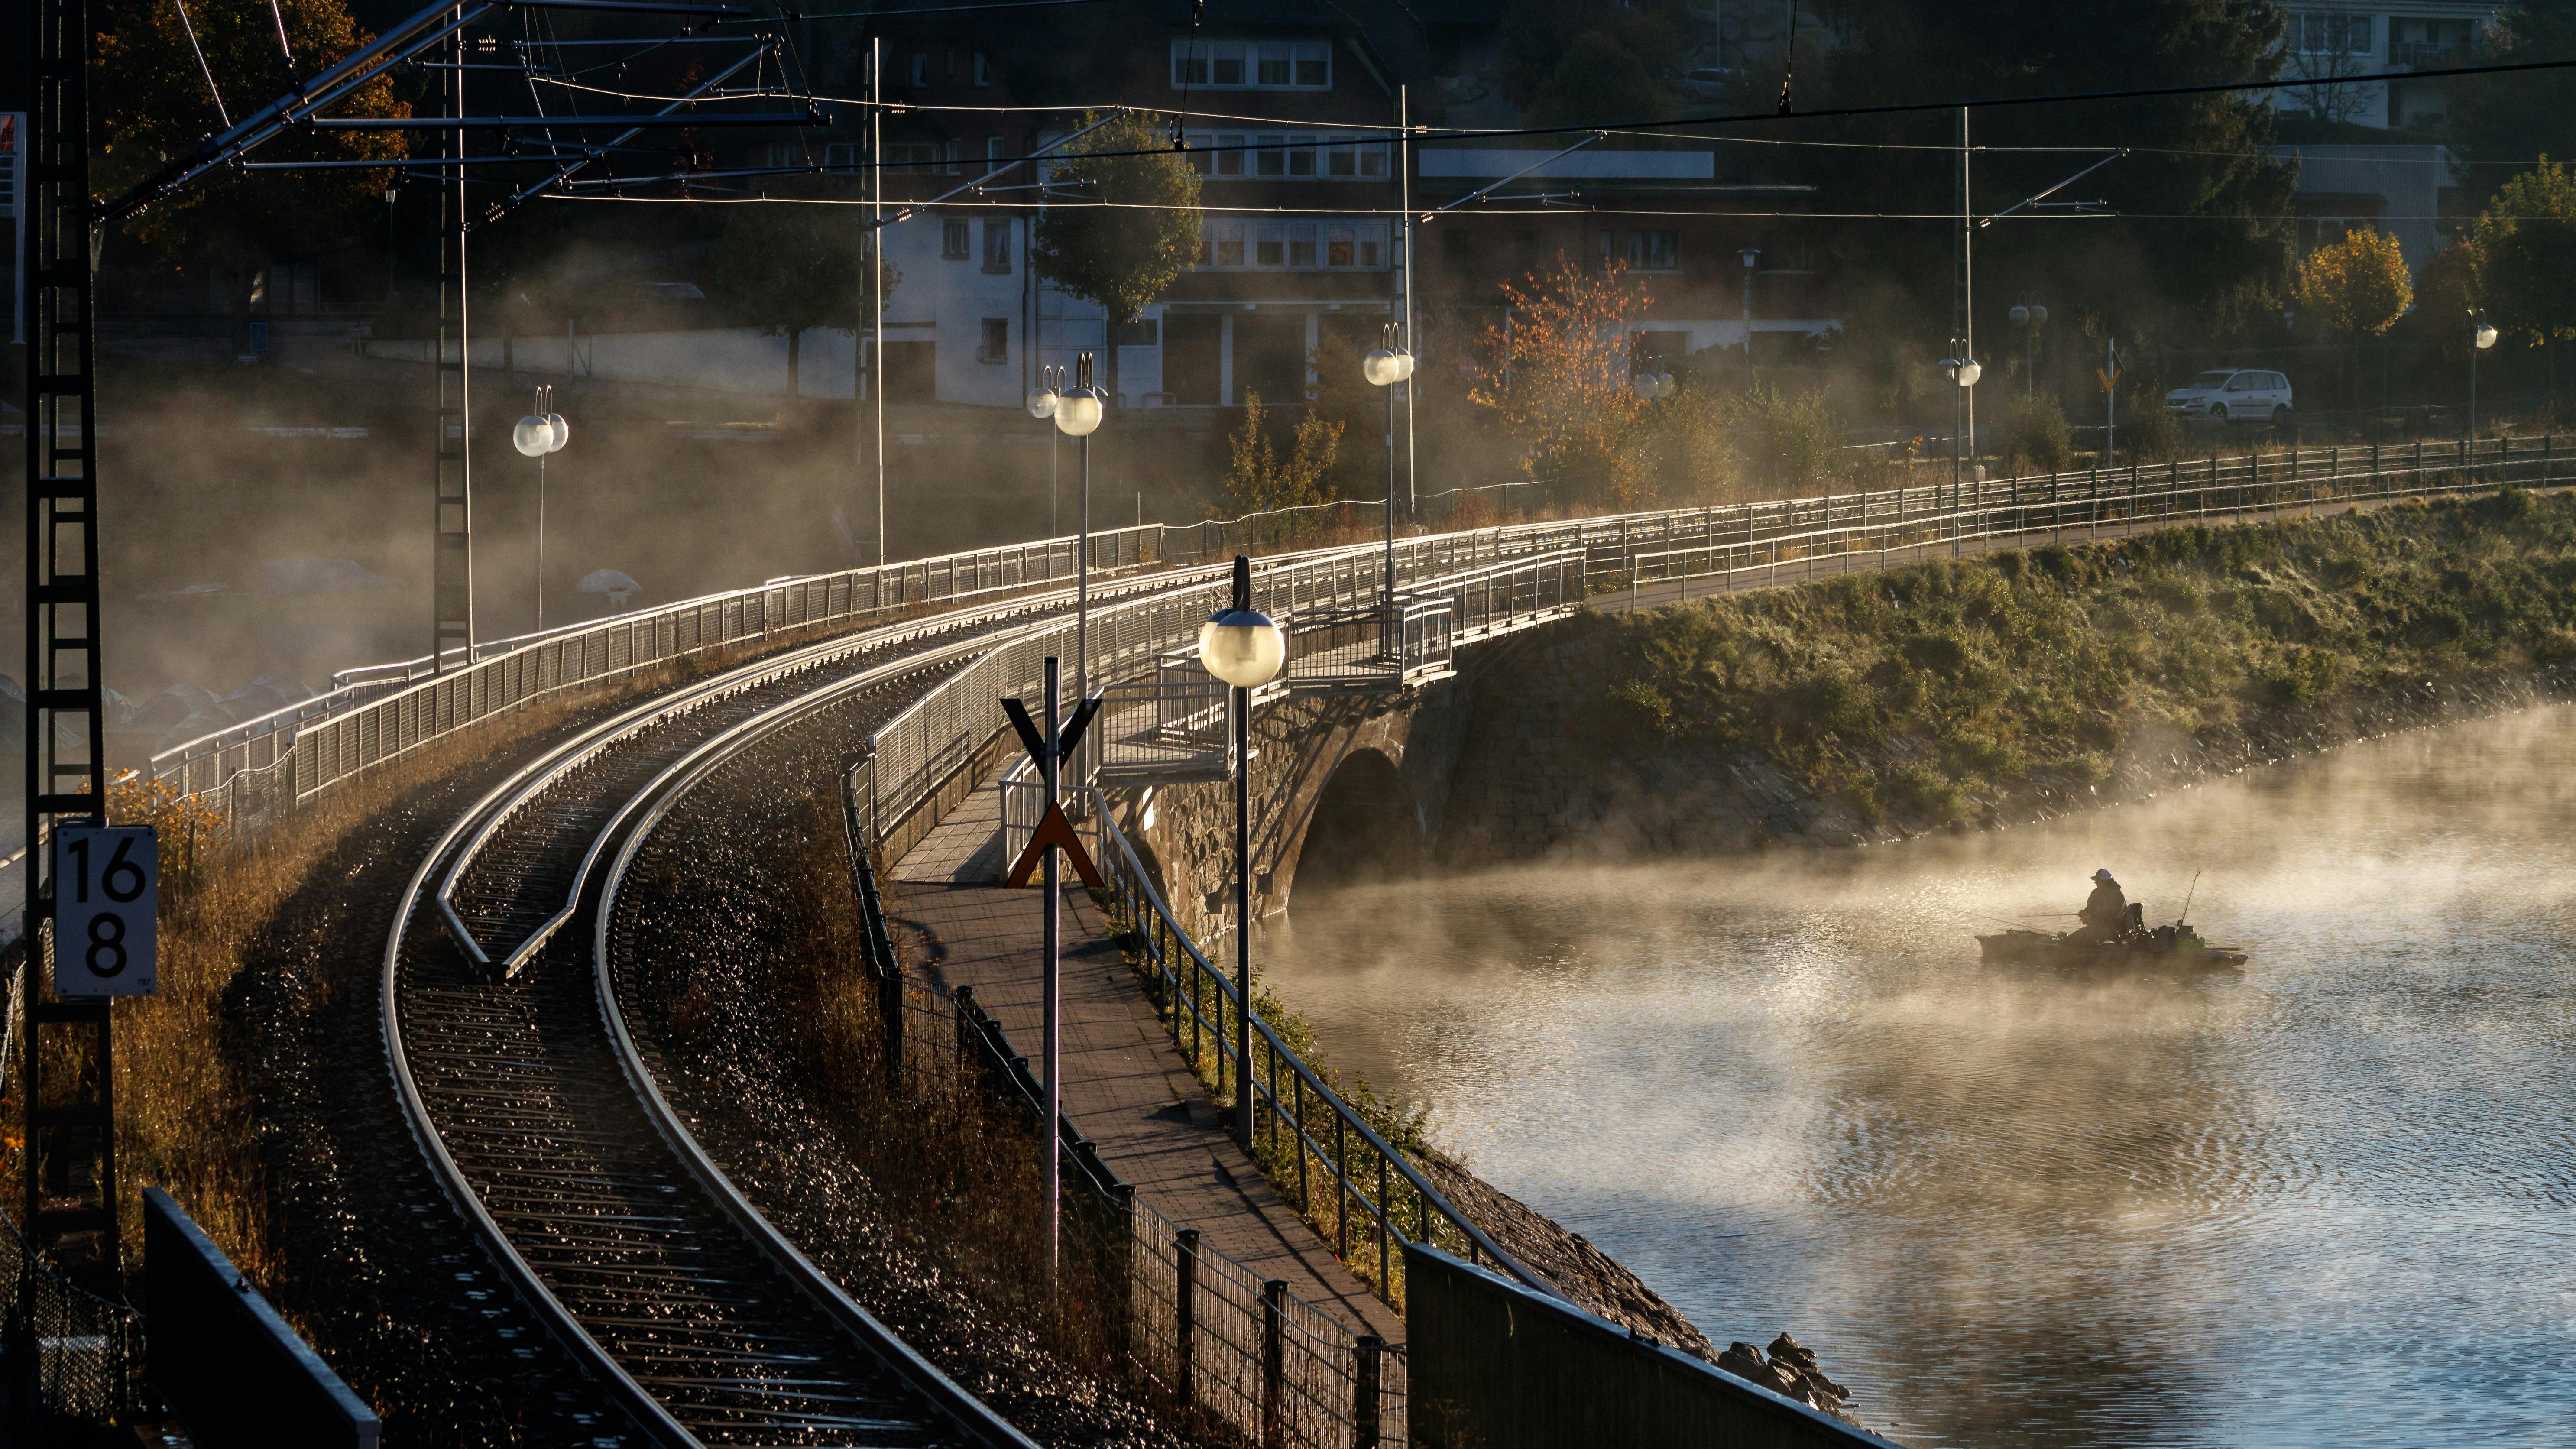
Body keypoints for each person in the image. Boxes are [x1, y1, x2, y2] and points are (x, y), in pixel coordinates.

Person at [2073, 869, 2128, 944]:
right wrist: (2084, 913)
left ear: (2105, 882)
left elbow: (2111, 918)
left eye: (2097, 880)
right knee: (2071, 939)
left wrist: (2090, 917)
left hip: (2112, 932)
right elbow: (2090, 909)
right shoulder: (2095, 893)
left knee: (2075, 941)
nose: (2095, 882)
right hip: (2095, 929)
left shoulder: (2118, 897)